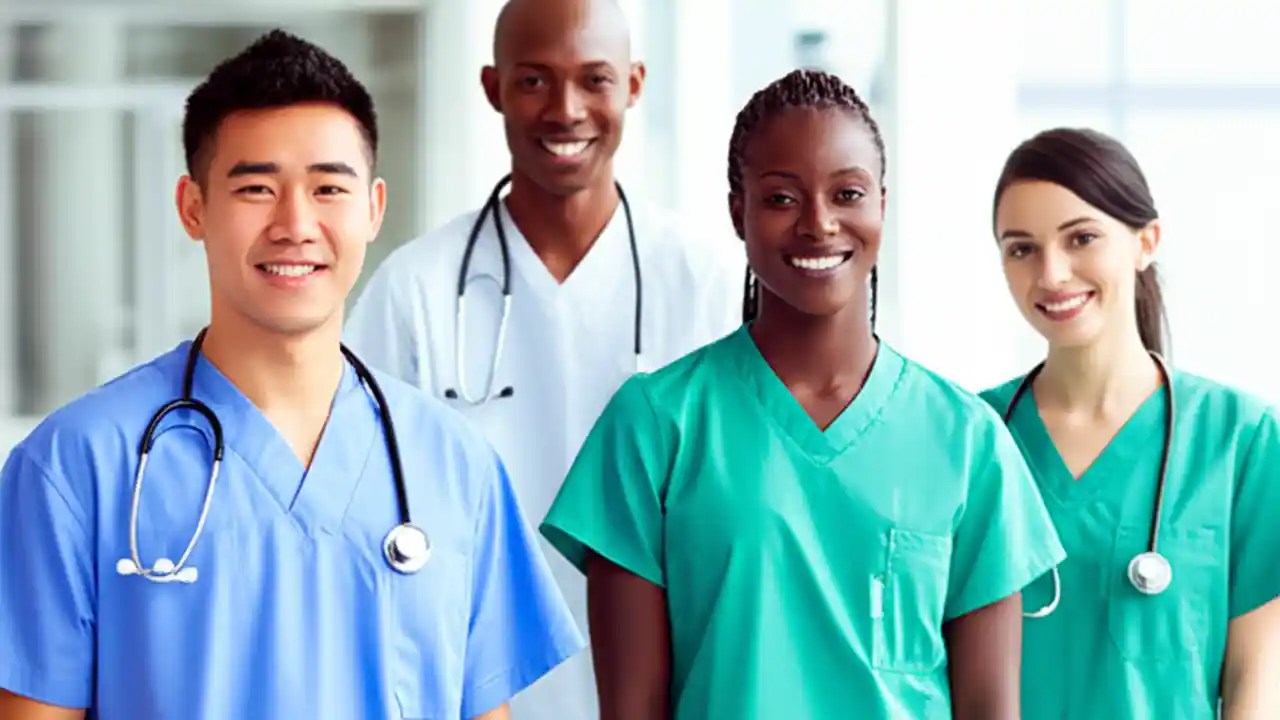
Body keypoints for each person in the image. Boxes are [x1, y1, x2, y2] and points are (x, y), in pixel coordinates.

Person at [0, 30, 582, 720]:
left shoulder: (455, 465)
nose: (295, 224)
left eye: (329, 187)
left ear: (373, 209)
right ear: (193, 207)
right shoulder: (76, 465)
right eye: (255, 187)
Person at [538, 68, 1067, 719]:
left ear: (882, 205)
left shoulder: (967, 440)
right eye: (783, 198)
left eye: (847, 193)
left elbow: (989, 708)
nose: (819, 224)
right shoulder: (655, 426)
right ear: (739, 211)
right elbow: (631, 709)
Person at [344, 1, 743, 718]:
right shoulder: (415, 290)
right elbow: (359, 521)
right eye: (534, 81)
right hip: (473, 693)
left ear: (635, 84)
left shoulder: (707, 281)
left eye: (594, 79)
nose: (565, 110)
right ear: (492, 88)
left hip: (672, 688)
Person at [981, 127, 1280, 719]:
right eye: (1022, 249)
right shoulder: (975, 436)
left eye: (1082, 238)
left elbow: (1256, 681)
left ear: (1147, 242)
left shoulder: (1242, 441)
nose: (1053, 274)